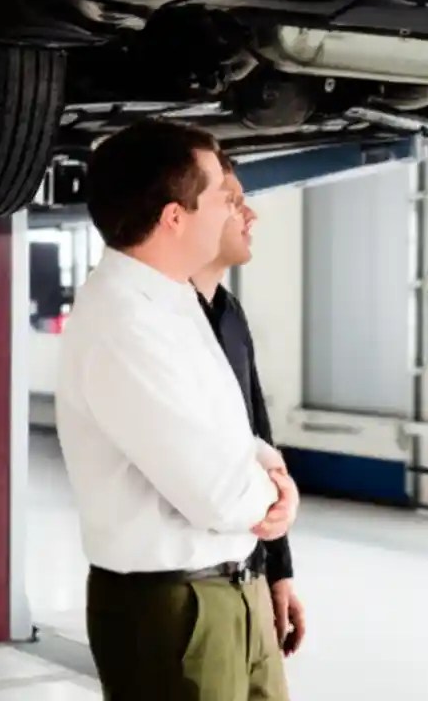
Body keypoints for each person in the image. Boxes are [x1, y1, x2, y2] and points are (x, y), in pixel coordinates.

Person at [56, 119, 300, 700]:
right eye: (224, 197)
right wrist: (276, 493)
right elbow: (214, 491)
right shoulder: (124, 324)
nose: (234, 211)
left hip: (231, 589)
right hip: (177, 609)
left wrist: (273, 478)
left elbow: (236, 434)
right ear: (174, 216)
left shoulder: (175, 301)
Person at [189, 153, 306, 695]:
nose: (249, 214)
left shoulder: (230, 312)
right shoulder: (162, 318)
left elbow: (259, 435)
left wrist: (278, 570)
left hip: (248, 570)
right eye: (233, 201)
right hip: (196, 581)